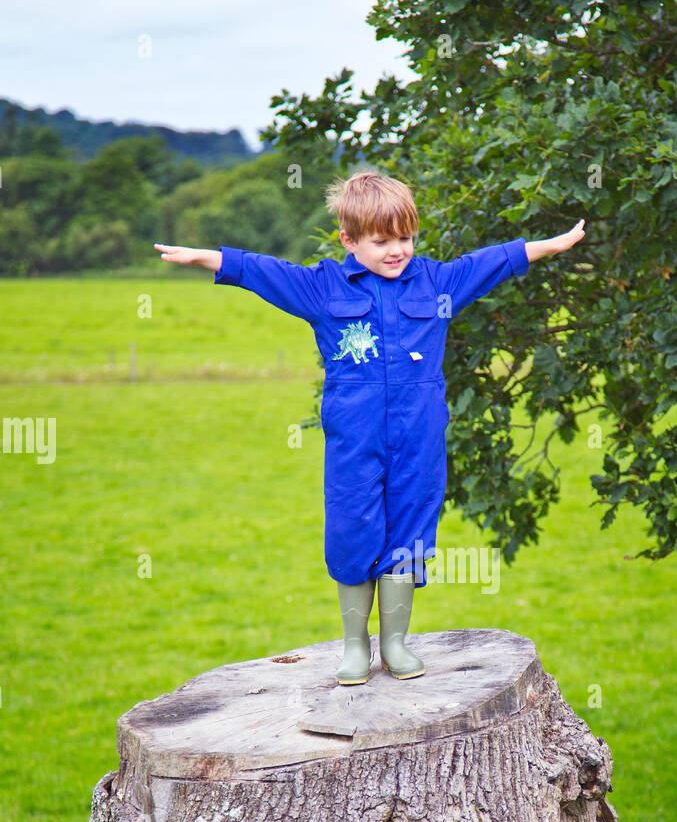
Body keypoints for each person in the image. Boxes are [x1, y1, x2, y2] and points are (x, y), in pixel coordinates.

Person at [154, 172, 584, 686]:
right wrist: (206, 257)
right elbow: (263, 271)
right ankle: (355, 647)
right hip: (353, 441)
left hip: (419, 438)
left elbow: (491, 261)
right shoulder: (322, 289)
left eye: (405, 238)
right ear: (349, 240)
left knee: (409, 530)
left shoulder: (437, 284)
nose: (396, 250)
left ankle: (396, 645)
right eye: (382, 241)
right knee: (352, 529)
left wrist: (554, 245)